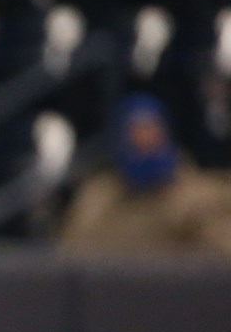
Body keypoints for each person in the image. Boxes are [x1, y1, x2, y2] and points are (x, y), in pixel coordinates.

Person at [60, 94, 231, 256]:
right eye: (136, 134)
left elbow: (220, 260)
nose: (145, 141)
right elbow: (70, 258)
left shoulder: (201, 198)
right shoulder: (97, 199)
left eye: (151, 132)